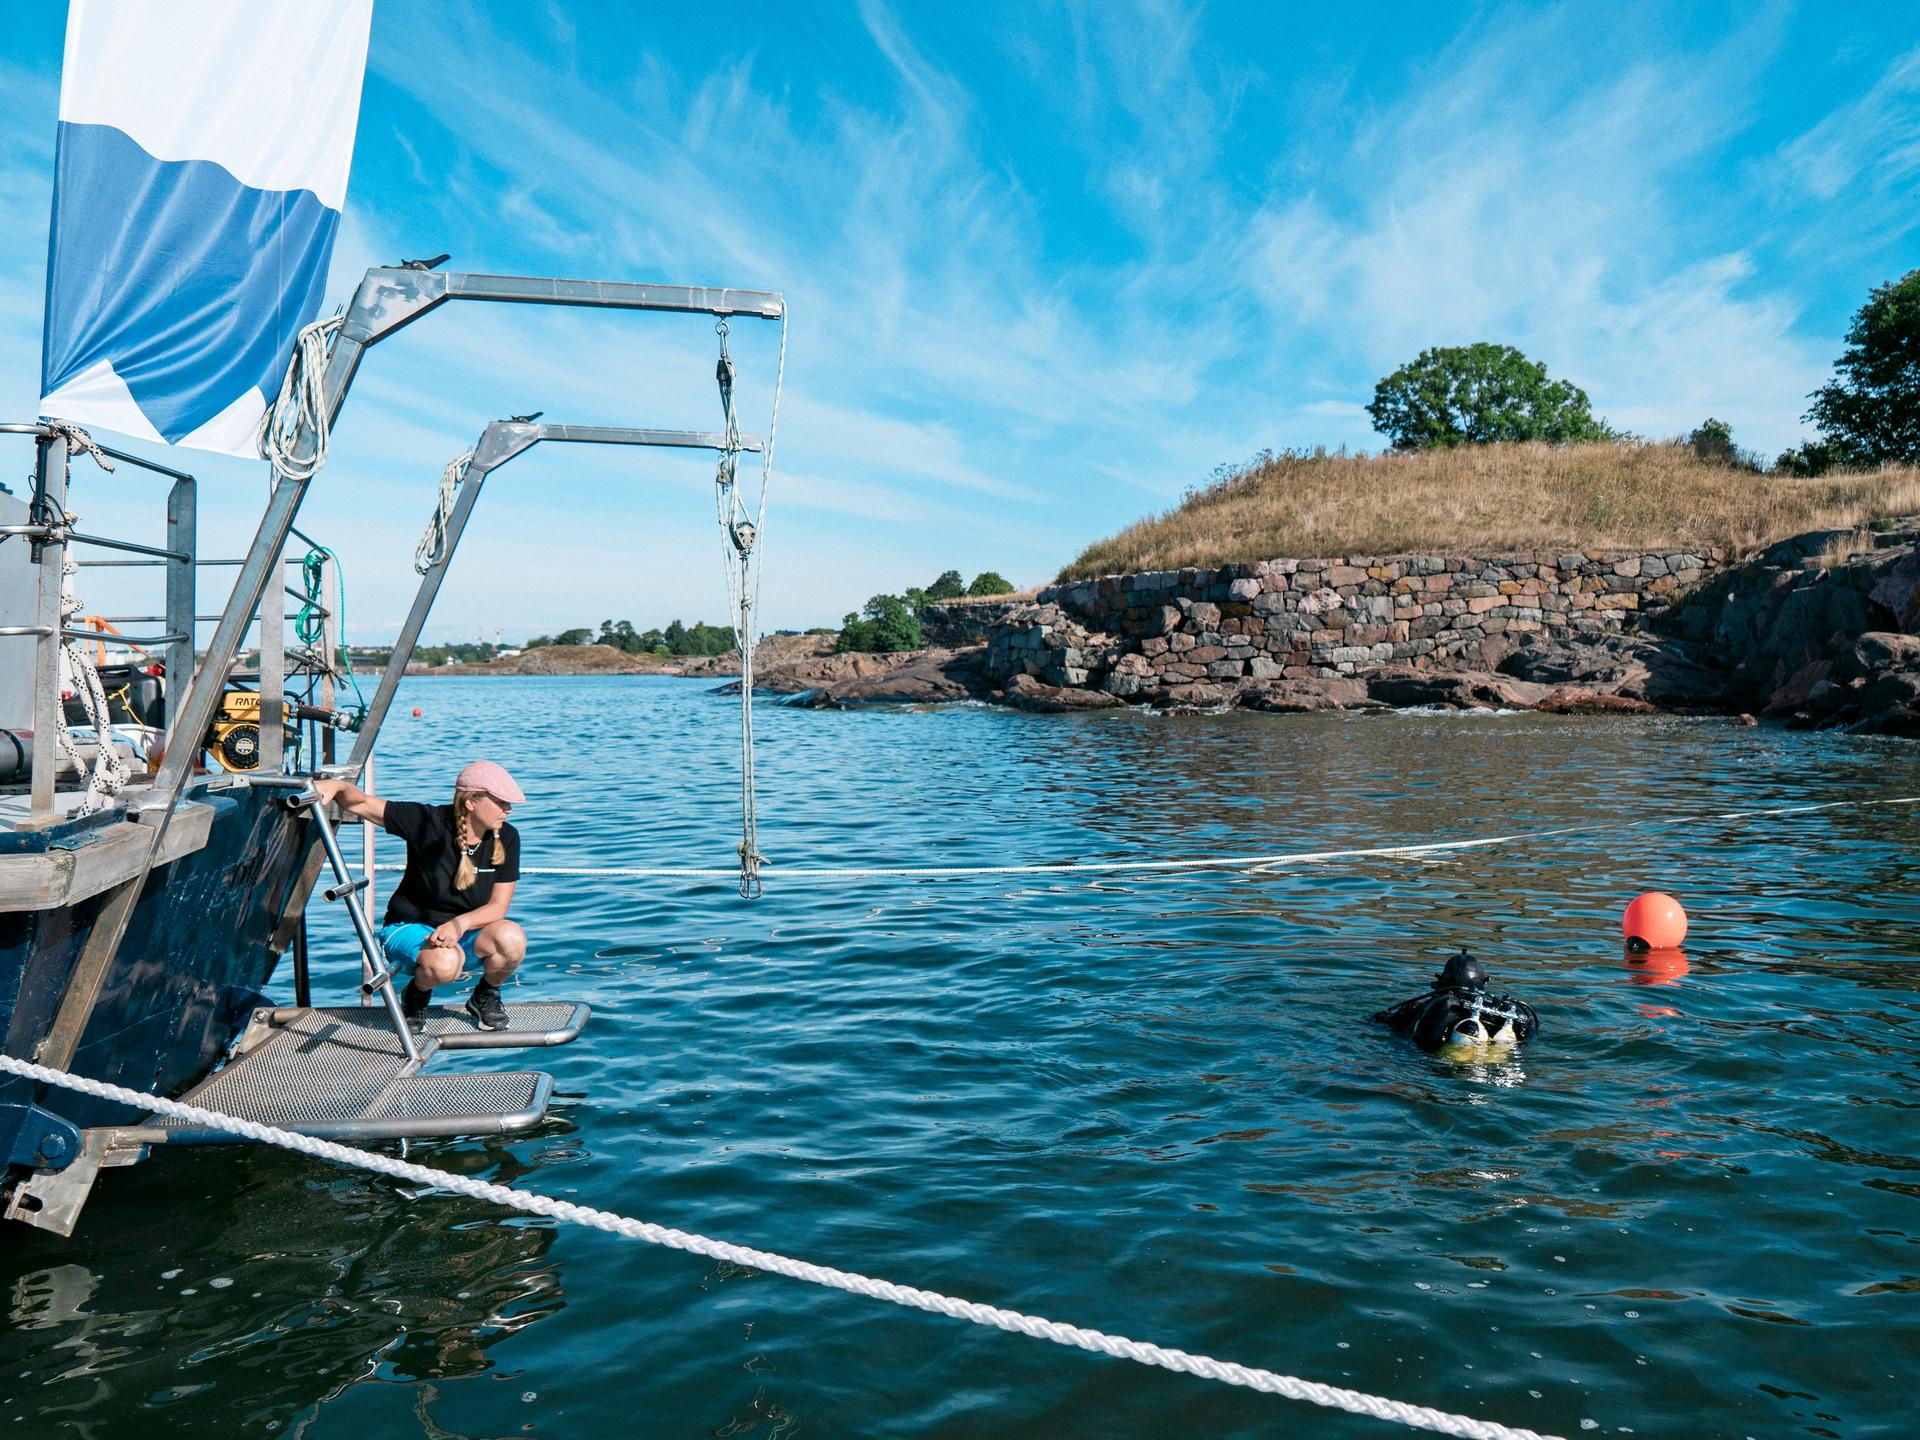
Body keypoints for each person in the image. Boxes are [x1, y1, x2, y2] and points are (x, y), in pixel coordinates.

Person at [313, 760, 526, 1032]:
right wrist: (338, 786)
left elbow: (498, 907)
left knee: (512, 937)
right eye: (502, 802)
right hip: (408, 928)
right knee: (445, 962)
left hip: (466, 932)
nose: (509, 810)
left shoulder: (507, 837)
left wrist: (458, 925)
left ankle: (485, 995)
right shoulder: (428, 821)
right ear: (471, 802)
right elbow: (362, 803)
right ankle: (416, 995)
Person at [1372, 951, 1537, 1053]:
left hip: (1425, 1064)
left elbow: (1383, 1022)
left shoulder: (1427, 1005)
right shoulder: (1494, 1012)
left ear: (1443, 982)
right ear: (1482, 983)